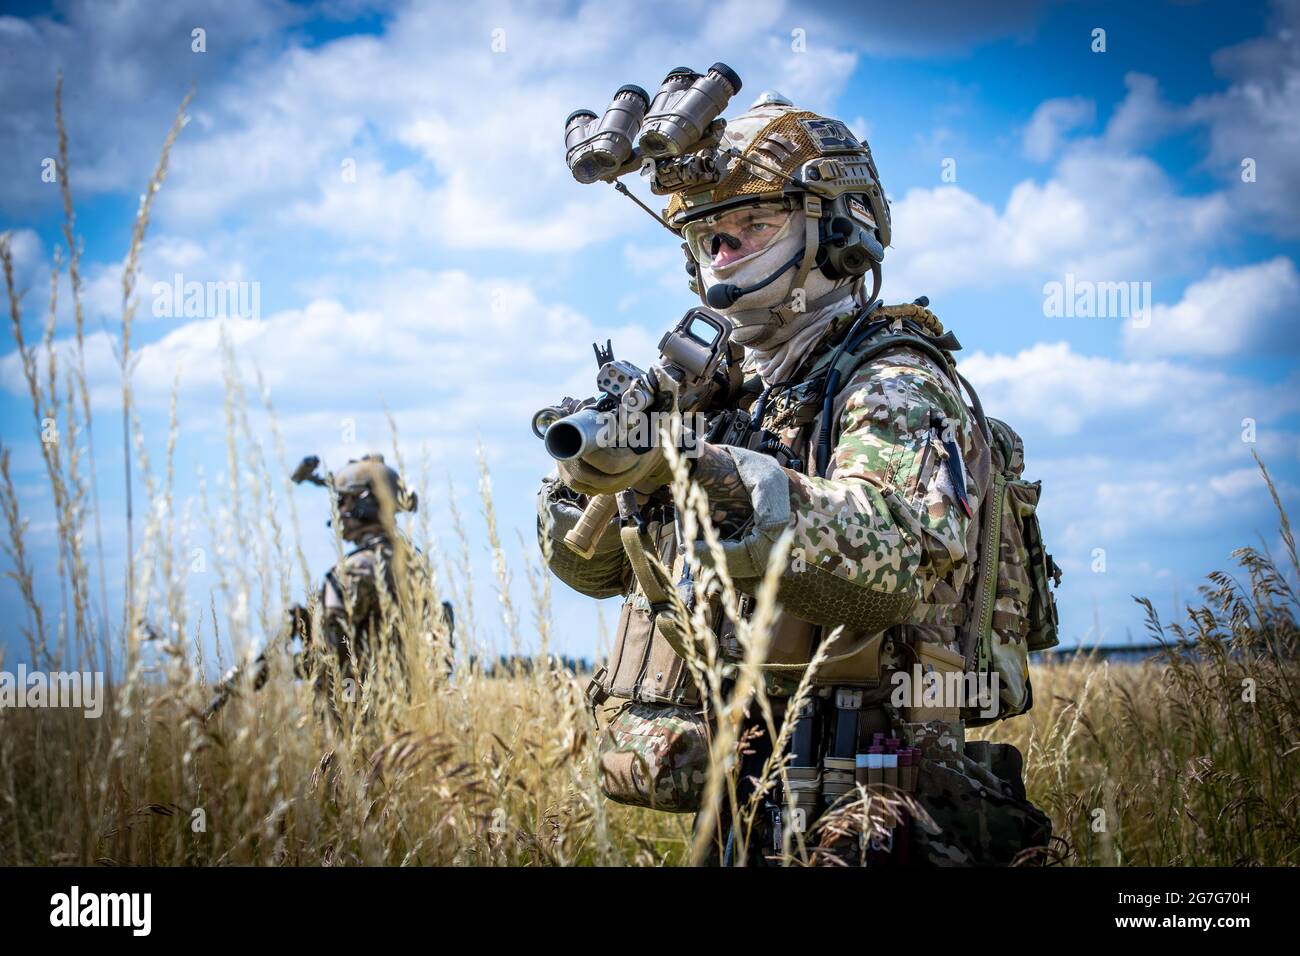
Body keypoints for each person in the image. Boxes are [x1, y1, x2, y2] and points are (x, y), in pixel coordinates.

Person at [538, 85, 1051, 865]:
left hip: (891, 802)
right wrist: (615, 475)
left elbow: (896, 556)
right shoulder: (732, 392)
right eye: (710, 237)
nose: (726, 254)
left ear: (837, 229)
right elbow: (589, 568)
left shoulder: (894, 379)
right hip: (752, 791)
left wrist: (693, 467)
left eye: (754, 225)